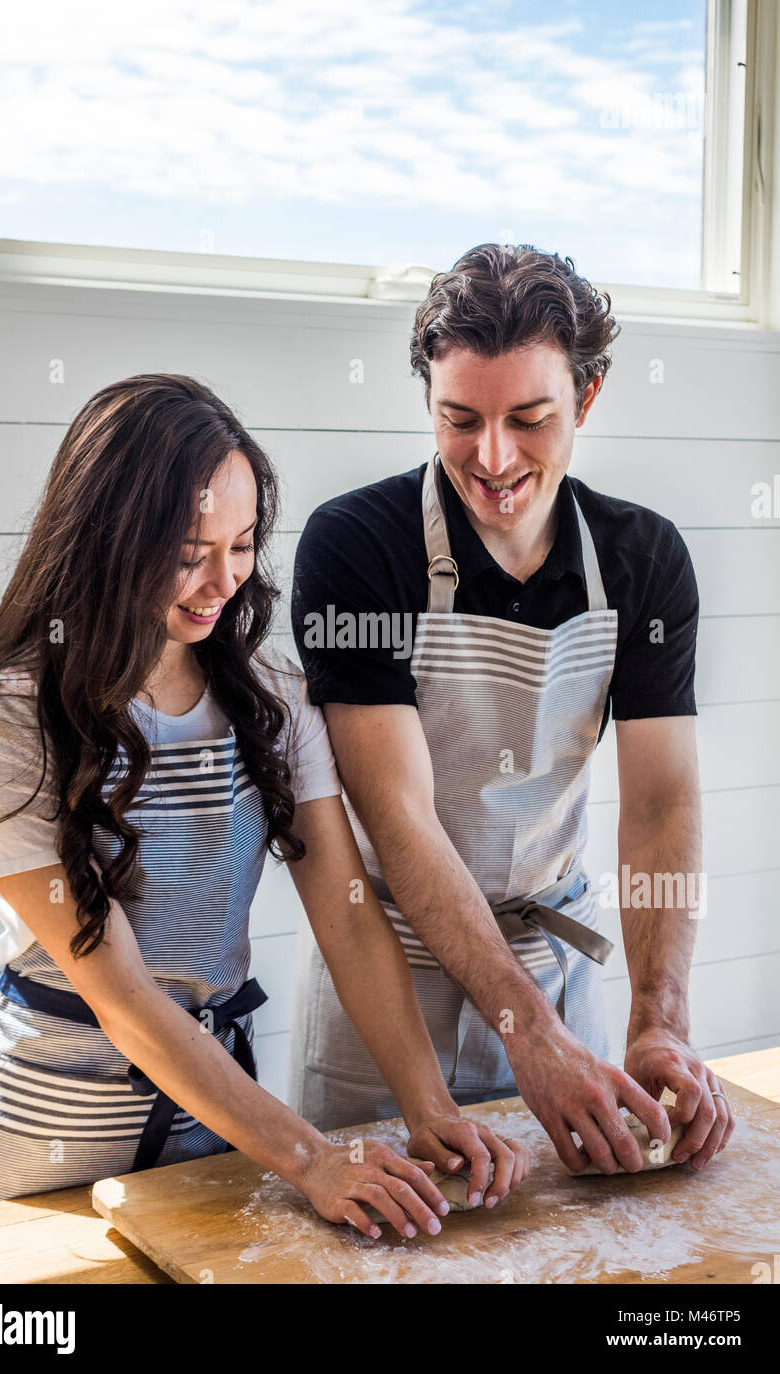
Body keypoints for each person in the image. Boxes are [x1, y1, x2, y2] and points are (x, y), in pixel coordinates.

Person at [0, 372, 529, 1233]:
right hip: (52, 1126)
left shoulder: (272, 698)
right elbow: (124, 994)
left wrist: (430, 1109)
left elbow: (350, 919)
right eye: (185, 553)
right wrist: (312, 1157)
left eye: (241, 545)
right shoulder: (13, 724)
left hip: (217, 1114)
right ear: (103, 538)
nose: (222, 582)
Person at [288, 243, 734, 1175]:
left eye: (529, 420)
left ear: (589, 397)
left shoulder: (642, 560)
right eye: (460, 420)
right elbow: (396, 818)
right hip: (388, 990)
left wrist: (659, 1022)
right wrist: (524, 1036)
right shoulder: (357, 546)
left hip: (554, 969)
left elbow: (659, 808)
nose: (492, 460)